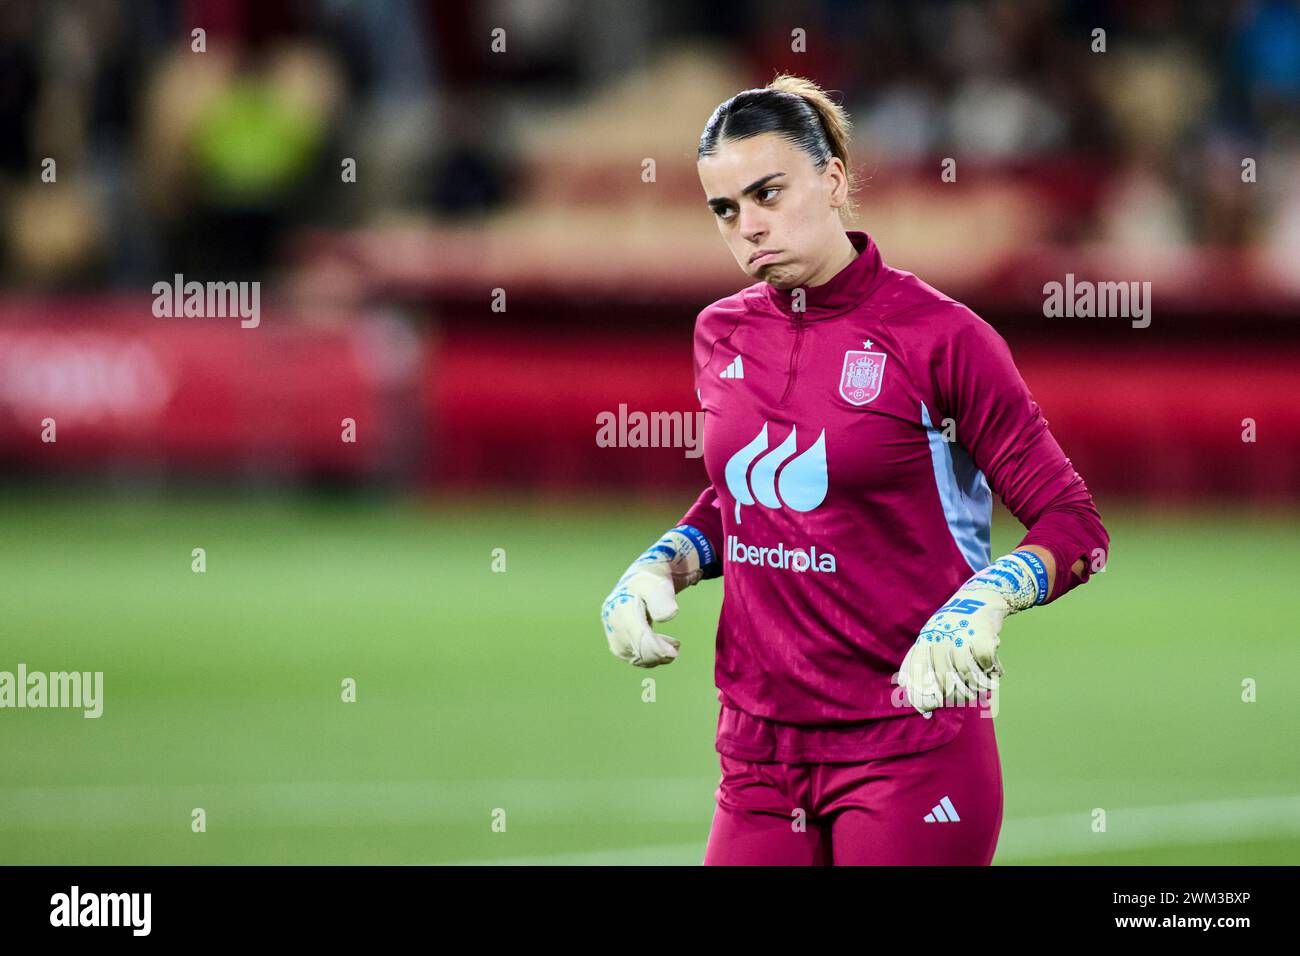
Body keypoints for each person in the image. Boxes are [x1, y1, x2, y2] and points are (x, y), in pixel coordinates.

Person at [599, 74, 1109, 865]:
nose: (749, 228)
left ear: (833, 181)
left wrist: (991, 595)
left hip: (912, 742)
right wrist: (666, 562)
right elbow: (749, 494)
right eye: (726, 210)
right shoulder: (720, 334)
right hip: (757, 752)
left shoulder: (943, 339)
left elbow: (1075, 525)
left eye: (768, 193)